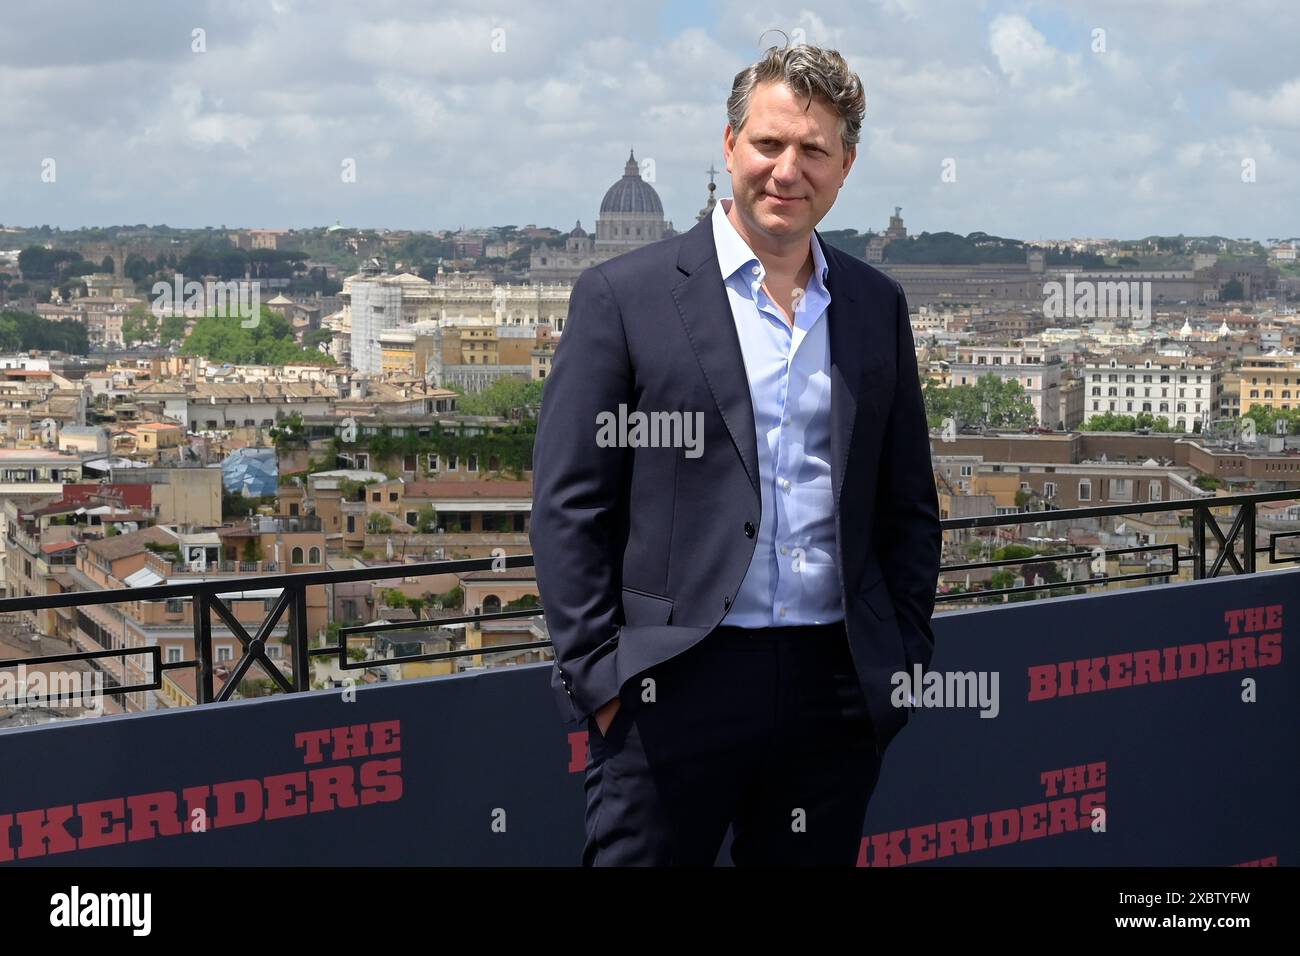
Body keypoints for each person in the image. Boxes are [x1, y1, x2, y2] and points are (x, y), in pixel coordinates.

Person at [530, 41, 941, 866]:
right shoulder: (621, 296)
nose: (788, 170)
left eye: (813, 150)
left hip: (834, 684)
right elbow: (569, 503)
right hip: (670, 681)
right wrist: (602, 679)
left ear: (845, 165)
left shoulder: (874, 303)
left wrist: (901, 656)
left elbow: (907, 502)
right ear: (729, 149)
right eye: (768, 144)